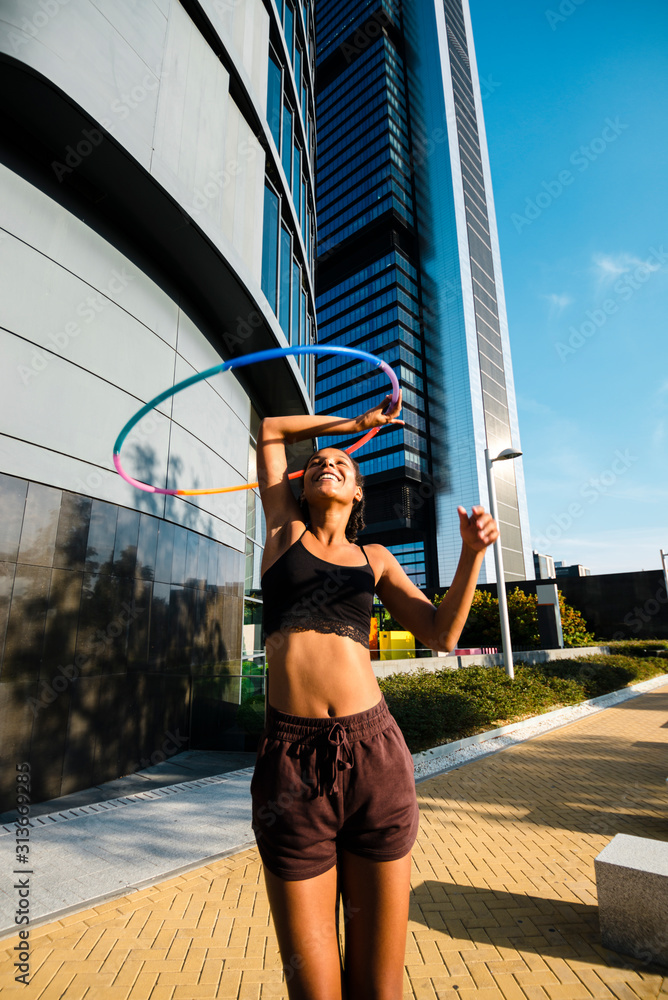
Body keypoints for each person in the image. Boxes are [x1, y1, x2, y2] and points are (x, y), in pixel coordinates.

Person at [250, 389, 499, 1000]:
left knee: (379, 990)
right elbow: (274, 427)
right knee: (314, 990)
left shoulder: (376, 558)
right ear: (301, 487)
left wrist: (470, 557)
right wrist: (356, 424)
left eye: (343, 462)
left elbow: (441, 634)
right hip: (291, 766)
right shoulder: (283, 531)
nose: (328, 462)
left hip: (377, 758)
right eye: (318, 463)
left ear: (359, 492)